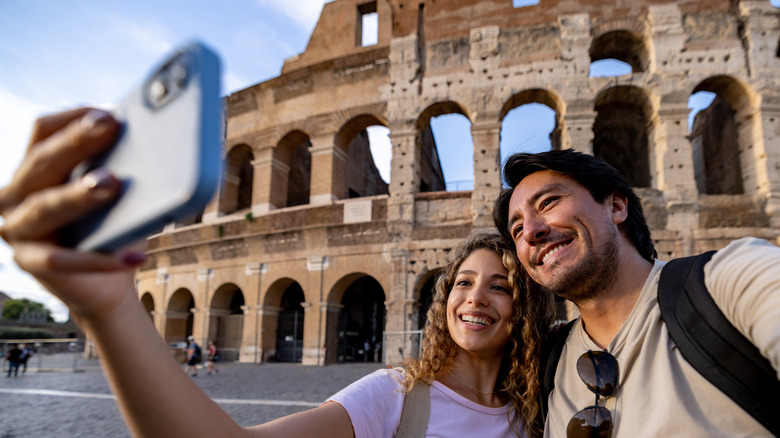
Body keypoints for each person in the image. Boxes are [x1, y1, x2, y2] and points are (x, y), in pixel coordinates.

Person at [0, 108, 554, 437]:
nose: (475, 298)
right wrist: (113, 309)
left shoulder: (544, 409)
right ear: (444, 299)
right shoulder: (393, 397)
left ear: (524, 306)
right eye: (462, 282)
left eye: (500, 286)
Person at [493, 149, 780, 437]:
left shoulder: (726, 280)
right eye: (517, 230)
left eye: (548, 202)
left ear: (616, 206)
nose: (530, 231)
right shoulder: (547, 365)